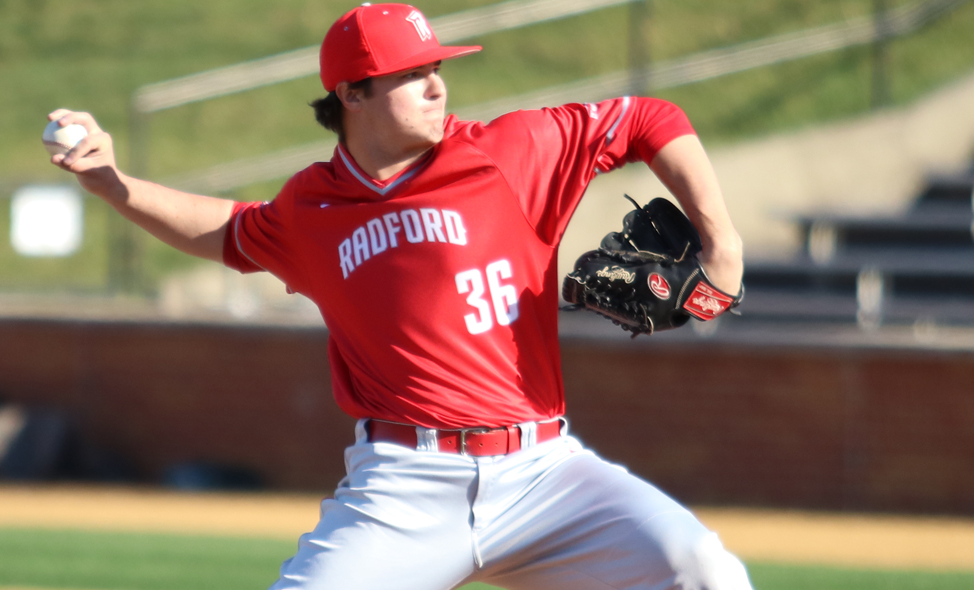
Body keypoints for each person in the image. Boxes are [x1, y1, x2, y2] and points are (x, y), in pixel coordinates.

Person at [49, 4, 748, 589]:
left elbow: (649, 117)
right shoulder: (313, 208)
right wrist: (115, 185)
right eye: (411, 75)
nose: (437, 86)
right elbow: (228, 232)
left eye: (436, 68)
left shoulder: (512, 151)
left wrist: (722, 245)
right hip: (405, 483)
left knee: (702, 570)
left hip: (545, 473)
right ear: (351, 95)